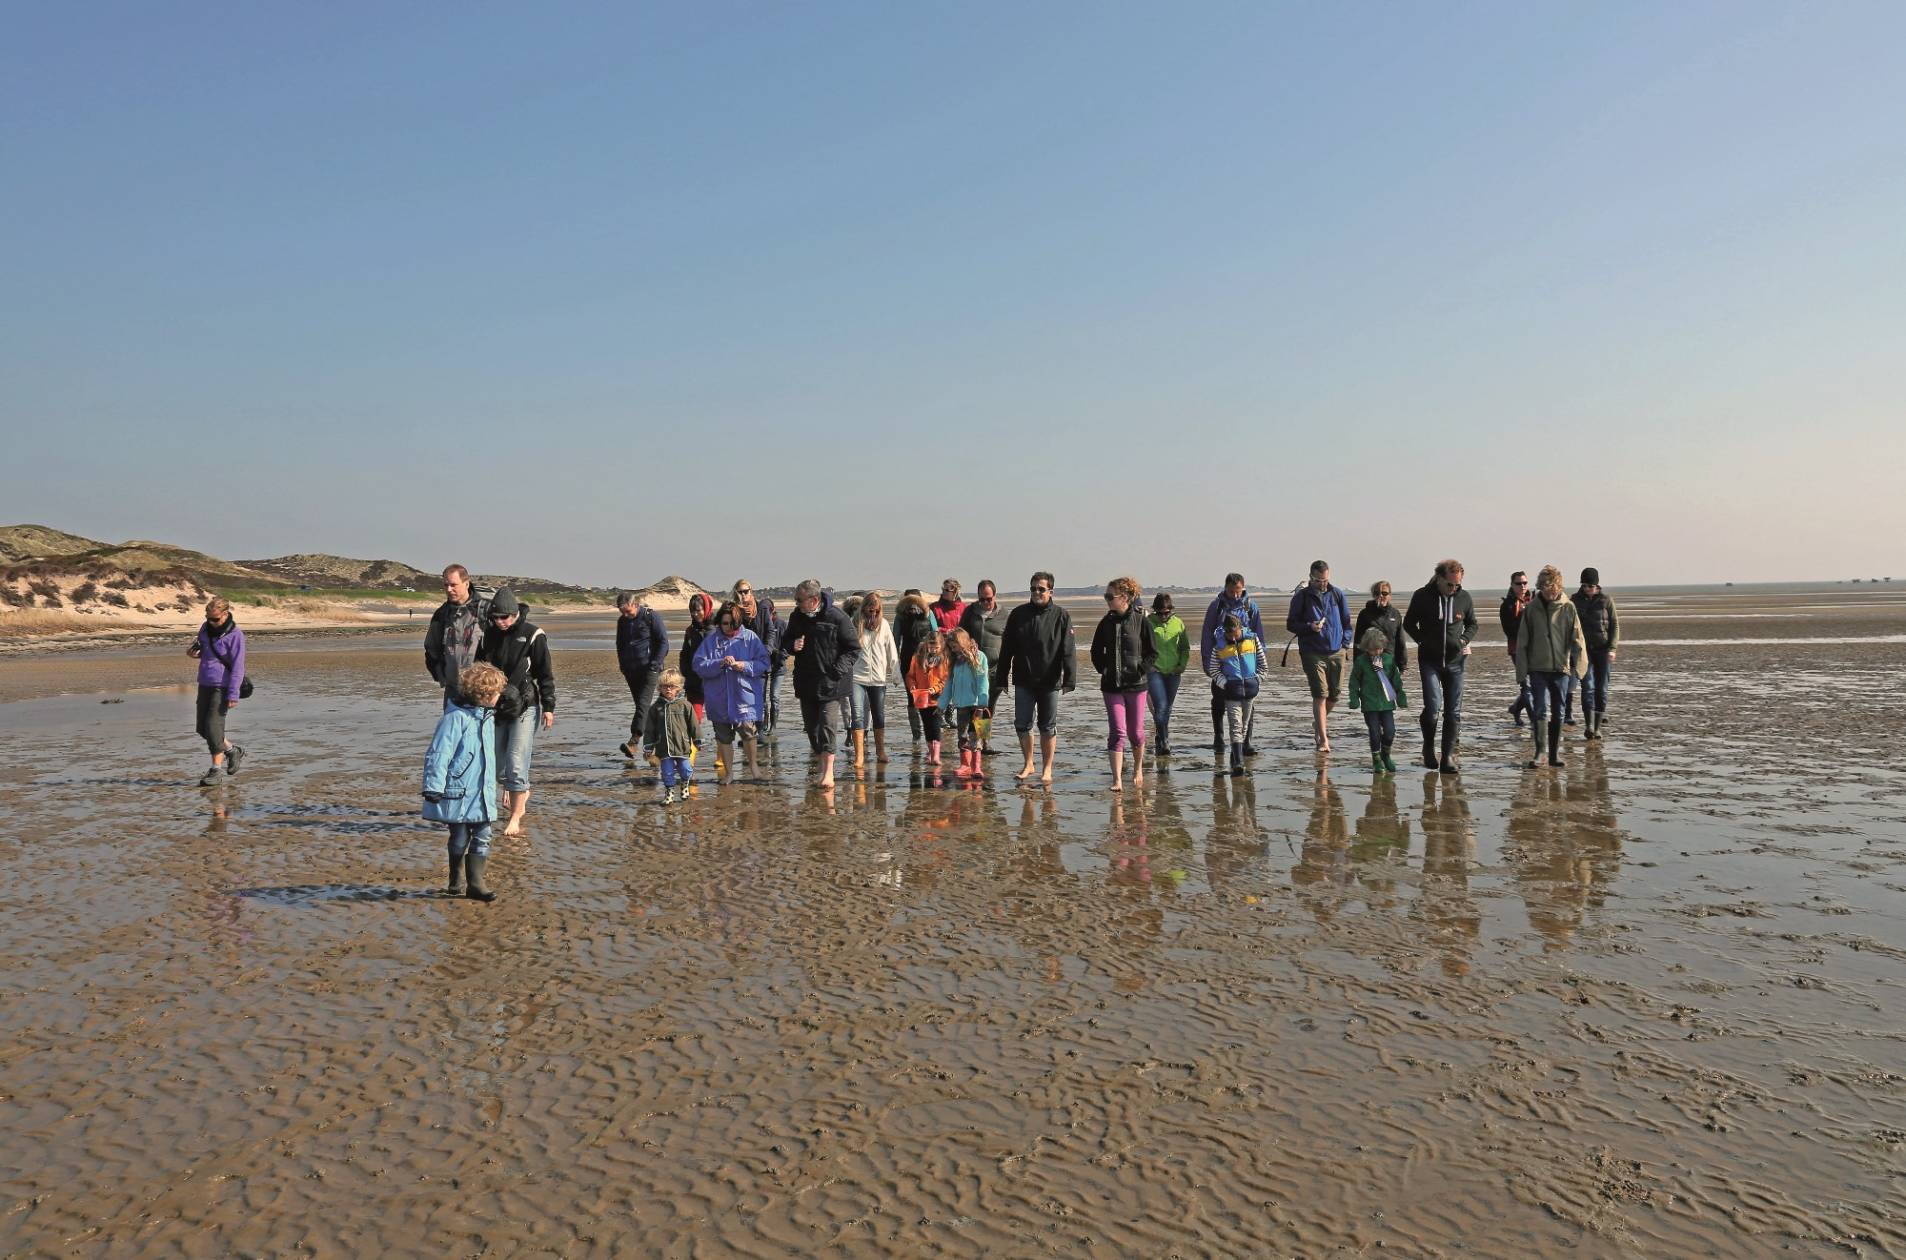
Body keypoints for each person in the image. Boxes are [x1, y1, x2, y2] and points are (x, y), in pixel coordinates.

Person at [422, 660, 504, 901]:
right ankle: (455, 878)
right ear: (485, 694)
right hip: (458, 789)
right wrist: (433, 786)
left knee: (483, 834)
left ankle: (476, 884)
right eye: (497, 693)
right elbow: (439, 753)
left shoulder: (487, 719)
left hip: (482, 791)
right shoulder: (455, 718)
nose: (500, 697)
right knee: (459, 837)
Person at [476, 588, 556, 836]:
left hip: (525, 706)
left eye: (505, 617)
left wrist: (549, 707)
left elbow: (545, 673)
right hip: (497, 707)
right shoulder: (488, 636)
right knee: (497, 765)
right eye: (496, 618)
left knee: (516, 762)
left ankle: (515, 817)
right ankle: (517, 790)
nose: (500, 622)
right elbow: (479, 670)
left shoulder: (533, 635)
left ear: (515, 614)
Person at [780, 579, 861, 789]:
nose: (796, 603)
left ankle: (828, 773)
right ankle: (820, 763)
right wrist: (792, 645)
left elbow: (853, 649)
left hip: (832, 684)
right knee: (811, 729)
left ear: (814, 599)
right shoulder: (796, 617)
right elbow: (785, 642)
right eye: (795, 599)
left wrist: (836, 672)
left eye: (799, 600)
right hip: (806, 682)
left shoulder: (838, 617)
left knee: (827, 727)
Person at [998, 571, 1077, 784]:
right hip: (1024, 679)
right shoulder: (1018, 614)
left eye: (1041, 589)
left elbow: (1068, 649)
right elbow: (1007, 648)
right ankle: (1028, 763)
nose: (1036, 592)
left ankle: (1047, 768)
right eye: (1033, 588)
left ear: (1051, 591)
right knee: (1022, 724)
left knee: (1047, 726)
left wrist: (1069, 679)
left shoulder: (1061, 616)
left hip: (1050, 681)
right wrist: (1002, 677)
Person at [1402, 559, 1478, 774]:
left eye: (1457, 585)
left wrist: (1463, 640)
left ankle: (1448, 757)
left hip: (1456, 663)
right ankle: (1428, 747)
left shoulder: (1464, 598)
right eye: (1449, 584)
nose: (1453, 589)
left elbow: (1473, 624)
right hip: (1430, 662)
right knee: (1433, 709)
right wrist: (1422, 641)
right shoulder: (1422, 596)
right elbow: (1409, 623)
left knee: (1453, 712)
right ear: (1439, 579)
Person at [1517, 565, 1587, 769]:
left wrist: (1580, 668)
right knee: (1539, 709)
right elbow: (1522, 642)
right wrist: (1521, 672)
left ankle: (1554, 754)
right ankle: (1540, 753)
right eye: (1545, 591)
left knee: (1559, 711)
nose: (1549, 595)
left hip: (1561, 669)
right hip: (1537, 668)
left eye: (1552, 591)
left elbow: (1578, 639)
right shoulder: (1531, 609)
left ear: (1558, 588)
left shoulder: (1568, 608)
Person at [692, 600, 771, 784]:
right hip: (718, 698)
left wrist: (744, 665)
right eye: (724, 623)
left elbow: (764, 663)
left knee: (748, 733)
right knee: (723, 737)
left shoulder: (750, 638)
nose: (728, 628)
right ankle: (729, 774)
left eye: (732, 624)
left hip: (743, 697)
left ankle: (754, 769)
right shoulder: (711, 641)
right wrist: (719, 663)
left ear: (738, 622)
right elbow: (698, 665)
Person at [1091, 576, 1156, 792]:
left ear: (1125, 597)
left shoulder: (1141, 621)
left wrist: (1140, 669)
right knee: (1117, 732)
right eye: (1106, 596)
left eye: (1110, 596)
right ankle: (1117, 779)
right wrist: (1104, 669)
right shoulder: (1105, 623)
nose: (1107, 600)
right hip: (1111, 686)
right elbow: (1095, 652)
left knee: (1135, 733)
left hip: (1137, 686)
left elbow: (1152, 652)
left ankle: (1138, 770)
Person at [1287, 560, 1355, 753]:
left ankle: (1318, 722)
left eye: (1325, 580)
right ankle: (1323, 740)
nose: (1323, 584)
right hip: (1312, 652)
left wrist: (1344, 645)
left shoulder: (1337, 594)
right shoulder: (1301, 597)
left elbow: (1347, 623)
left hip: (1337, 651)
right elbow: (1291, 624)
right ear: (1311, 578)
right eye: (1318, 581)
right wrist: (1309, 626)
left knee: (1335, 695)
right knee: (1320, 695)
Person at [1200, 574, 1268, 756]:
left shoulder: (1250, 607)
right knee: (1218, 700)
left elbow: (1258, 634)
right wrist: (1207, 662)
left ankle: (1246, 742)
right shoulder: (1216, 606)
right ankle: (1218, 737)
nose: (1235, 595)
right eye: (1231, 592)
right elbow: (1207, 634)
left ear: (1243, 587)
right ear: (1226, 588)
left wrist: (1260, 662)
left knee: (1248, 701)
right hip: (1223, 661)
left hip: (1246, 664)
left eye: (1238, 591)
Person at [187, 596, 247, 786]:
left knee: (213, 728)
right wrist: (193, 654)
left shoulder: (236, 635)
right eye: (208, 618)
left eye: (215, 619)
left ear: (226, 614)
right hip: (205, 682)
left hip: (223, 686)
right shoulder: (205, 628)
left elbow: (238, 667)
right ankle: (232, 750)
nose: (211, 622)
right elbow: (206, 652)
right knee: (202, 729)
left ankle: (215, 770)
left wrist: (233, 693)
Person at [1205, 612, 1265, 778]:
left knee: (1244, 725)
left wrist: (1257, 680)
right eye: (1229, 634)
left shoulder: (1253, 640)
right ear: (1224, 631)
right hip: (1231, 691)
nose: (1232, 637)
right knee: (1235, 725)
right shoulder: (1219, 646)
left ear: (1240, 628)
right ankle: (1238, 762)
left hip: (1250, 690)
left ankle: (1234, 755)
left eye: (1235, 633)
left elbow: (1262, 664)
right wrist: (1225, 684)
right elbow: (1214, 670)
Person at [425, 564, 491, 710]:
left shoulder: (486, 611)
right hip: (453, 692)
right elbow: (431, 648)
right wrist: (440, 676)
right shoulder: (441, 614)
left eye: (453, 585)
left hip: (483, 692)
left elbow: (503, 650)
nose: (449, 589)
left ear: (466, 583)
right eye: (446, 585)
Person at [614, 590, 669, 761]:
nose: (625, 615)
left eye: (627, 611)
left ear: (635, 605)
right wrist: (623, 665)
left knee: (643, 705)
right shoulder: (622, 622)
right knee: (641, 707)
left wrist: (655, 664)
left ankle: (634, 741)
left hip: (650, 669)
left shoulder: (651, 617)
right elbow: (620, 644)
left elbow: (663, 642)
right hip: (631, 670)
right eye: (622, 612)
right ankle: (655, 747)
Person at [1346, 627, 1408, 774]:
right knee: (1374, 731)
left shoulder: (1388, 660)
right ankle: (1376, 759)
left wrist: (1401, 696)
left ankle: (1386, 755)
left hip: (1386, 703)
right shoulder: (1361, 662)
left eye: (1380, 648)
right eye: (1374, 650)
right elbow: (1354, 682)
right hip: (1370, 704)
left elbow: (1396, 680)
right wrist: (1354, 698)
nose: (1377, 652)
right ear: (1367, 648)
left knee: (1390, 731)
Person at [850, 591, 901, 768]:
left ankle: (880, 751)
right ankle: (859, 756)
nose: (873, 614)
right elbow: (846, 648)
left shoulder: (884, 625)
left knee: (878, 714)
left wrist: (895, 674)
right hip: (857, 677)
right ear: (864, 609)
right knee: (857, 714)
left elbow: (891, 649)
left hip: (878, 678)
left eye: (876, 611)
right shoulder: (855, 623)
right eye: (869, 611)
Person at [958, 580, 1008, 751]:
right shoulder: (970, 612)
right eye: (982, 599)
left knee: (988, 707)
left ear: (995, 595)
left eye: (989, 599)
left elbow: (1010, 642)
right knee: (974, 706)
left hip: (995, 670)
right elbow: (960, 636)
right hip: (973, 669)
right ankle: (974, 741)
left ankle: (984, 741)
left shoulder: (1004, 615)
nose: (985, 602)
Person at [1571, 568, 1620, 739]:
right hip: (1584, 652)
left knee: (1602, 689)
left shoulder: (1606, 601)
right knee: (1588, 687)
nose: (1587, 589)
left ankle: (1598, 727)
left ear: (1597, 586)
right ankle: (1589, 726)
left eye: (1590, 586)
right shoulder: (1574, 601)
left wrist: (1612, 648)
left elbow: (1614, 625)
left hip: (1603, 651)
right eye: (1584, 586)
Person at [938, 627, 991, 780]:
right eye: (951, 647)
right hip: (961, 705)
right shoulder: (955, 661)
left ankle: (976, 767)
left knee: (979, 734)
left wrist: (982, 703)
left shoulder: (979, 656)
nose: (953, 649)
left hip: (978, 705)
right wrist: (941, 705)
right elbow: (949, 684)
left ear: (963, 641)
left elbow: (983, 681)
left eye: (954, 646)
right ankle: (965, 765)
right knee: (962, 735)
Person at [731, 581, 784, 733]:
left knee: (759, 697)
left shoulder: (762, 609)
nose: (743, 595)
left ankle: (759, 732)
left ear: (751, 591)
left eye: (745, 591)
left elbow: (770, 631)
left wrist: (767, 650)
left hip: (760, 662)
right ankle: (749, 733)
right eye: (740, 592)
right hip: (742, 662)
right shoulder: (735, 612)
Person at [645, 669, 700, 804]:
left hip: (682, 746)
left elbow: (694, 725)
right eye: (665, 686)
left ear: (678, 688)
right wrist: (648, 746)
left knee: (686, 770)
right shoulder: (655, 708)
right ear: (660, 688)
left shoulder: (685, 705)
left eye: (672, 686)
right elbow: (649, 730)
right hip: (664, 748)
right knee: (667, 772)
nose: (668, 689)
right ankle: (669, 792)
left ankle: (684, 784)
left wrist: (698, 740)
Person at [1146, 592, 1190, 754]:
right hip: (1154, 671)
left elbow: (1184, 648)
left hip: (1173, 672)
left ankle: (1160, 735)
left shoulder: (1178, 623)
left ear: (1171, 610)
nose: (1164, 616)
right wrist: (1148, 666)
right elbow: (1140, 647)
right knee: (1160, 707)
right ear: (1155, 611)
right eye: (1160, 613)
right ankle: (1164, 741)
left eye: (1167, 613)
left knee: (1167, 708)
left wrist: (1181, 666)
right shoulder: (1148, 623)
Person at [893, 590, 935, 743]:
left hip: (926, 660)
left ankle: (926, 732)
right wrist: (895, 663)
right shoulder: (900, 616)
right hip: (909, 661)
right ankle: (919, 733)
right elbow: (895, 641)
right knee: (913, 696)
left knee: (926, 695)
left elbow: (936, 635)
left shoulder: (928, 614)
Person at [906, 625, 951, 766]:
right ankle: (930, 753)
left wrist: (935, 689)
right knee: (927, 726)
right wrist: (912, 686)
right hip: (922, 698)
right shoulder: (917, 658)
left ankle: (936, 756)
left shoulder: (944, 659)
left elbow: (946, 680)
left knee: (936, 726)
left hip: (938, 699)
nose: (933, 650)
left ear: (941, 646)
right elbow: (910, 676)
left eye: (936, 647)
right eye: (931, 647)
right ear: (926, 645)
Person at [1499, 572, 1533, 728]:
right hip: (1517, 650)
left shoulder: (1534, 600)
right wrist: (1523, 617)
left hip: (1536, 650)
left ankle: (1516, 708)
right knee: (1527, 685)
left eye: (1525, 583)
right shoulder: (1507, 605)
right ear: (1512, 585)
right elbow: (1509, 631)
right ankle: (1535, 720)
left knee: (1536, 684)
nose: (1523, 586)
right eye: (1519, 583)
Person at [1353, 581, 1408, 675]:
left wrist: (1402, 665)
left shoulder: (1395, 614)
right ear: (1373, 595)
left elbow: (1400, 641)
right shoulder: (1365, 614)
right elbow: (1358, 642)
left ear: (1389, 595)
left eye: (1384, 593)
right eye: (1377, 593)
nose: (1381, 596)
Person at [679, 592, 715, 725]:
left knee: (720, 722)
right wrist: (686, 671)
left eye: (698, 610)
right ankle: (695, 739)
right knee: (694, 720)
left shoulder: (719, 628)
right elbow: (684, 653)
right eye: (692, 611)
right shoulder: (690, 631)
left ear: (706, 608)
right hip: (694, 682)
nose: (695, 614)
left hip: (715, 682)